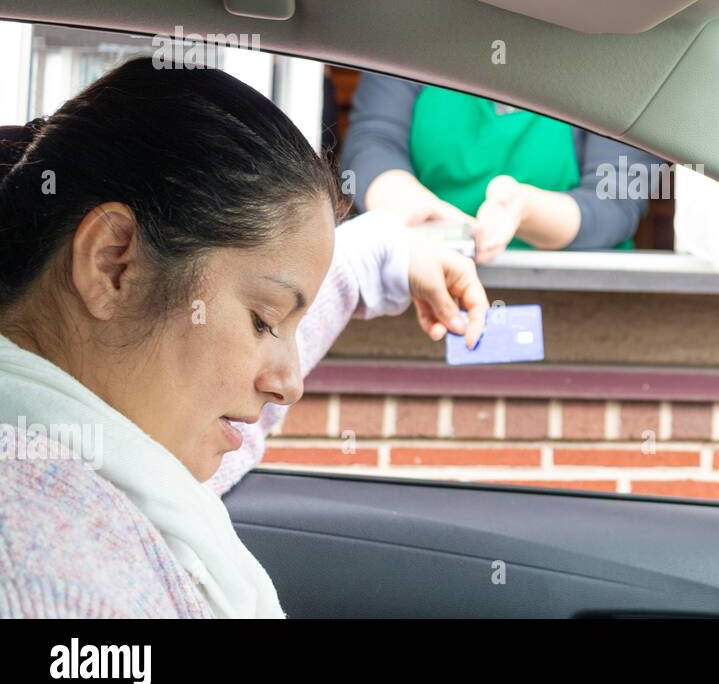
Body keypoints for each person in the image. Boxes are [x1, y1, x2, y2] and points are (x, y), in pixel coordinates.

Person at [0, 58, 488, 618]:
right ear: (113, 264)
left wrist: (378, 256)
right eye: (264, 319)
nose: (289, 385)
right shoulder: (37, 573)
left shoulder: (108, 454)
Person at [342, 74, 661, 262]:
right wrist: (405, 202)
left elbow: (617, 200)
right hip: (422, 276)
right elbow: (371, 142)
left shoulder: (617, 55)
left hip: (575, 306)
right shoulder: (408, 34)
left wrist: (523, 209)